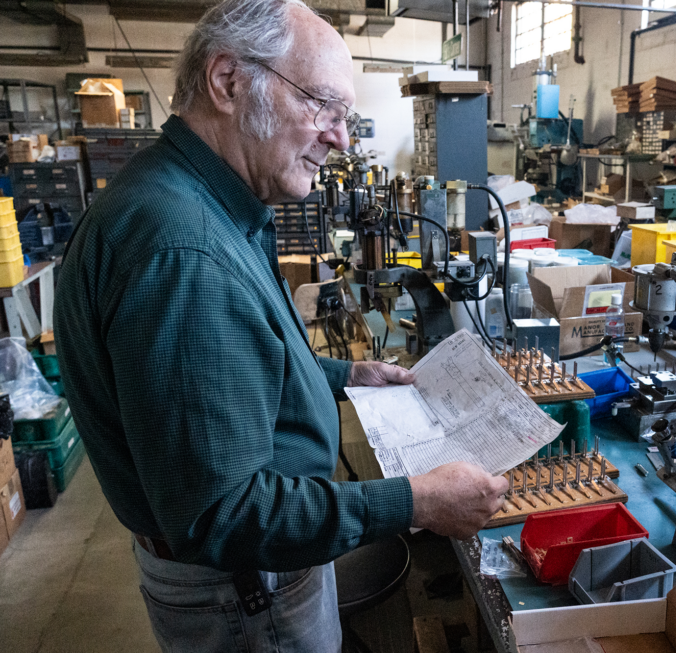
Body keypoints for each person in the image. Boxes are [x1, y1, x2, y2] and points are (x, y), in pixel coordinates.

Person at [53, 1, 507, 650]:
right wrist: (414, 502)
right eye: (322, 106)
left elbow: (236, 364)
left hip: (243, 579)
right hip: (244, 589)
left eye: (344, 116)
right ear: (229, 82)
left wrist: (344, 374)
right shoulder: (187, 253)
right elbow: (226, 515)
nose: (341, 137)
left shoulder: (199, 201)